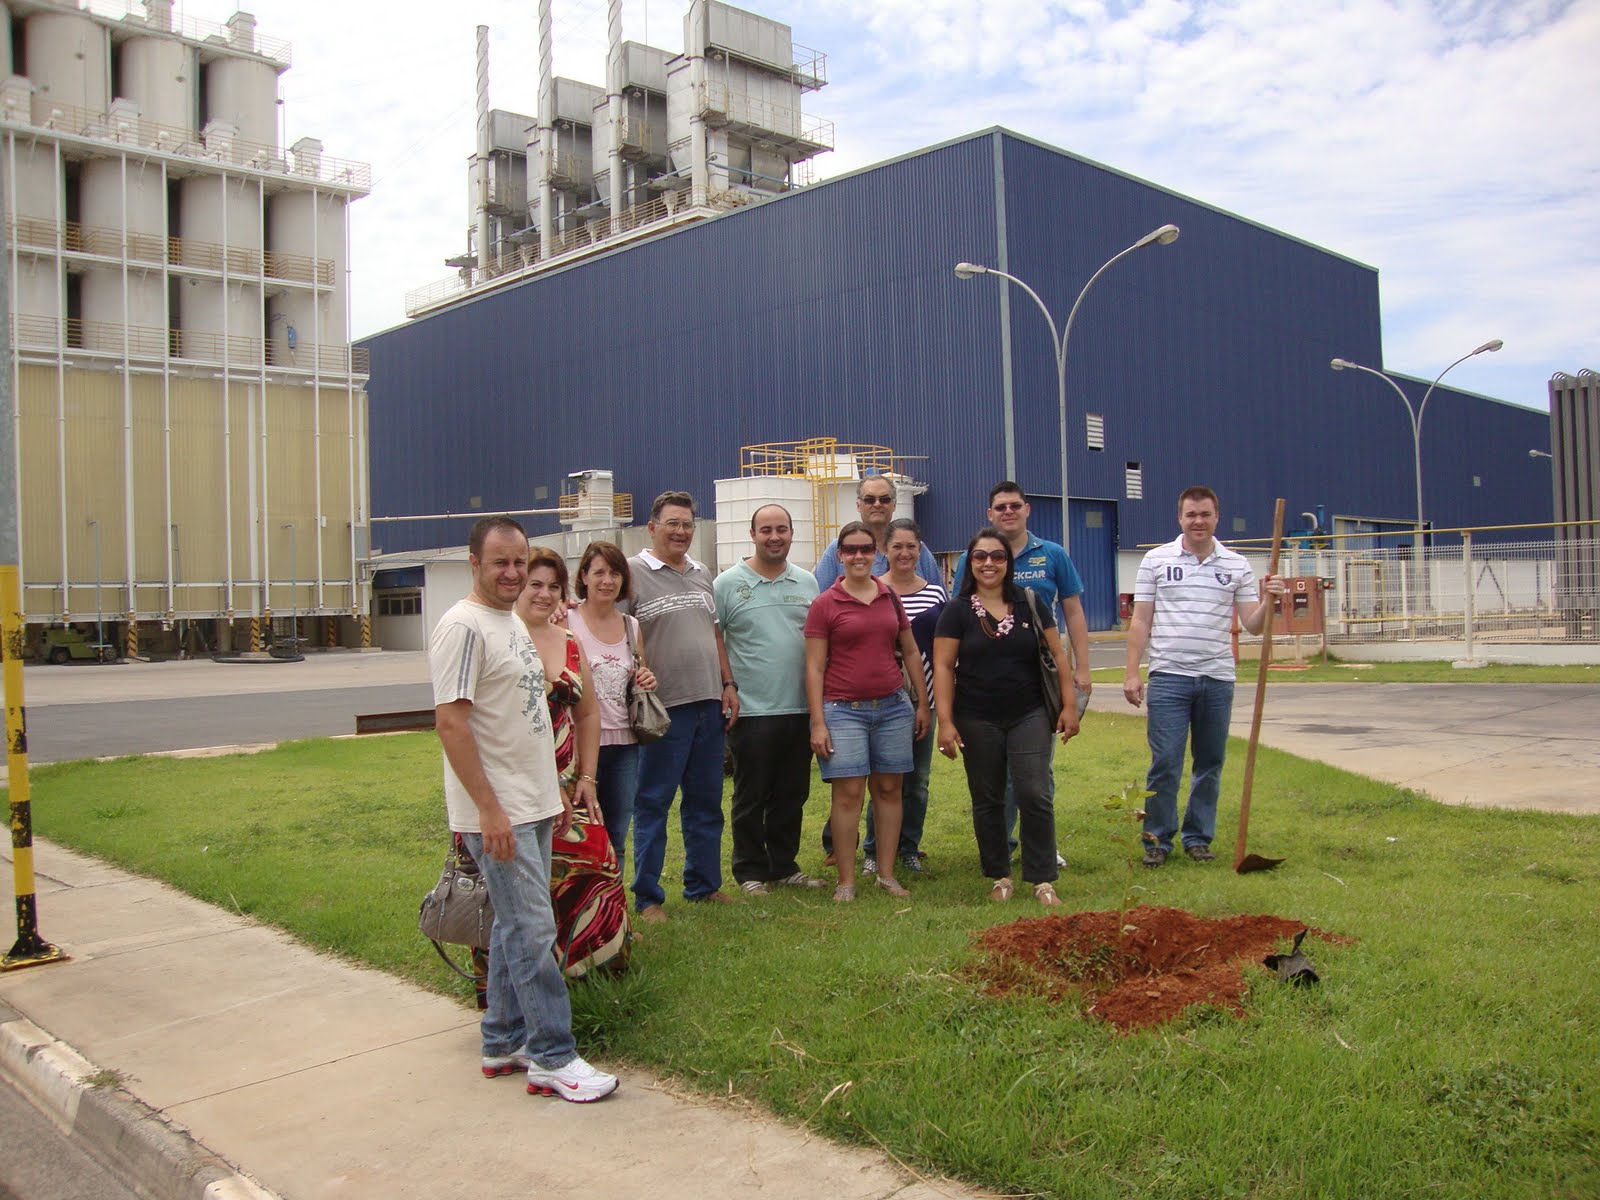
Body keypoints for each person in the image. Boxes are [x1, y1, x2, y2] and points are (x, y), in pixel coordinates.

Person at [428, 515, 617, 1102]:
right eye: (500, 563)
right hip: (498, 811)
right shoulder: (461, 627)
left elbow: (526, 719)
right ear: (474, 564)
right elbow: (450, 723)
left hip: (534, 800)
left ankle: (503, 1039)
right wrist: (489, 811)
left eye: (520, 561)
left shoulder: (508, 622)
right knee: (534, 930)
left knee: (516, 930)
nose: (512, 573)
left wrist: (551, 790)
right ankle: (553, 1057)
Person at [1123, 486, 1284, 866]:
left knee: (1209, 763)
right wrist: (1132, 672)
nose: (1198, 521)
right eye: (1191, 515)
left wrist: (1269, 599)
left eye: (1205, 514)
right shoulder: (1156, 561)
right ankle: (1158, 841)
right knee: (1165, 761)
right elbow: (1141, 620)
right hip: (1169, 677)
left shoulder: (1236, 566)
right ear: (1180, 518)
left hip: (1216, 678)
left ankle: (1198, 838)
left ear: (1217, 517)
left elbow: (1254, 626)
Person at [934, 528, 1077, 906]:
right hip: (976, 717)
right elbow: (944, 666)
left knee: (1034, 792)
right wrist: (945, 722)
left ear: (1007, 562)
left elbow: (1058, 655)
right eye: (980, 557)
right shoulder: (958, 610)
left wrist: (1070, 705)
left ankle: (1043, 879)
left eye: (997, 556)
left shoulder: (1029, 601)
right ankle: (999, 875)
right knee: (987, 796)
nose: (988, 564)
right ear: (970, 563)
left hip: (1029, 713)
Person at [952, 482, 1091, 868]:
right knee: (995, 776)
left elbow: (1074, 611)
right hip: (987, 682)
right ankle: (1003, 844)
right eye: (1001, 507)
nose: (1008, 512)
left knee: (1034, 771)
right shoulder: (973, 557)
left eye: (1015, 506)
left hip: (1040, 676)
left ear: (1027, 509)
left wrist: (1082, 668)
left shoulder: (1052, 554)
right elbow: (959, 609)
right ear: (990, 514)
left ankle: (1041, 845)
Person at [625, 491, 740, 922]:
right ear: (652, 527)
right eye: (672, 523)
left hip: (708, 703)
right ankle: (648, 896)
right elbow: (615, 632)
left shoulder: (701, 572)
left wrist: (727, 683)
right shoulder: (632, 574)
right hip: (662, 710)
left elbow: (714, 635)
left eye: (687, 524)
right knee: (653, 801)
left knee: (706, 801)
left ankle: (704, 885)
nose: (680, 531)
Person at [517, 548, 629, 977]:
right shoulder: (502, 637)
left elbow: (587, 713)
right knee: (526, 884)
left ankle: (592, 971)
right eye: (535, 584)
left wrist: (587, 777)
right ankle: (526, 980)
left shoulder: (568, 641)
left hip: (569, 780)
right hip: (519, 781)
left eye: (552, 586)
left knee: (596, 861)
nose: (544, 595)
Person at [804, 520, 930, 903]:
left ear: (875, 554)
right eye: (851, 550)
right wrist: (818, 722)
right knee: (849, 794)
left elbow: (909, 650)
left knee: (890, 790)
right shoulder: (826, 603)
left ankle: (887, 874)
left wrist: (922, 703)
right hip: (843, 711)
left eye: (865, 549)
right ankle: (846, 880)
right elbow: (814, 667)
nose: (859, 556)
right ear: (840, 556)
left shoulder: (888, 596)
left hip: (893, 708)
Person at [713, 504, 824, 895]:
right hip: (753, 709)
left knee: (792, 794)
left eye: (781, 529)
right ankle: (749, 871)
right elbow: (716, 636)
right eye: (766, 530)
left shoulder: (807, 582)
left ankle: (784, 864)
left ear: (792, 533)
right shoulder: (726, 584)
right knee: (751, 794)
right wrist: (727, 683)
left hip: (799, 707)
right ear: (752, 533)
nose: (774, 536)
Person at [567, 541, 659, 880]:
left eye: (615, 573)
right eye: (599, 572)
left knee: (615, 833)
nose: (607, 580)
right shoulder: (565, 618)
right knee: (577, 832)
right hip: (577, 745)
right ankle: (577, 911)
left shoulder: (631, 626)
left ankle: (612, 917)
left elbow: (639, 675)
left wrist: (647, 679)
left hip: (624, 745)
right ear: (585, 577)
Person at [863, 518, 947, 875]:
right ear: (885, 550)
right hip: (880, 699)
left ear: (920, 549)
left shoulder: (935, 594)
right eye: (897, 546)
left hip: (921, 703)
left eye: (911, 546)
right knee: (881, 779)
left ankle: (909, 847)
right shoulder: (871, 590)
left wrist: (933, 704)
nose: (904, 553)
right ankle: (873, 851)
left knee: (917, 781)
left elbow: (942, 654)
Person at [812, 474, 940, 589]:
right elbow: (818, 600)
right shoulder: (838, 548)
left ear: (894, 505)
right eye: (869, 499)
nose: (877, 504)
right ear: (858, 505)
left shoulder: (916, 550)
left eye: (884, 499)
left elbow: (940, 601)